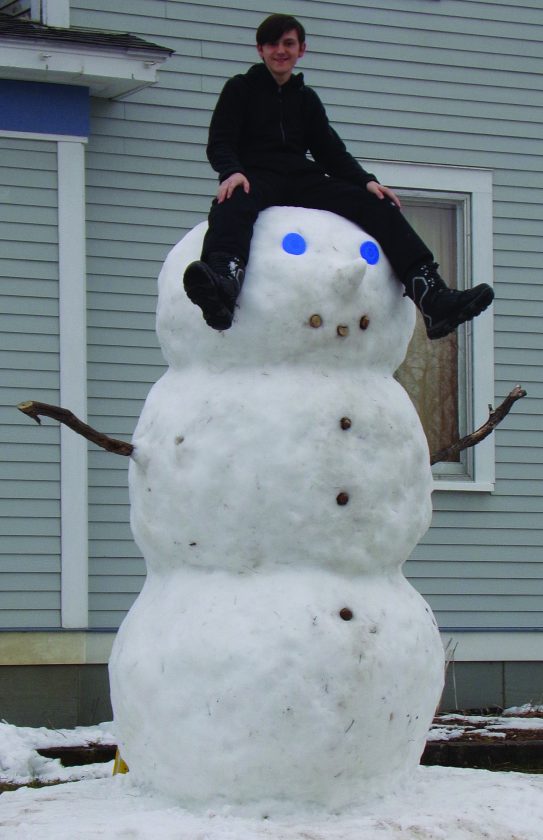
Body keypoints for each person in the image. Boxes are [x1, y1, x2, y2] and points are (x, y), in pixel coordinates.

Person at [183, 13, 494, 336]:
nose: (280, 51)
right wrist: (232, 172)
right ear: (260, 49)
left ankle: (432, 296)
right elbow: (220, 140)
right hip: (256, 174)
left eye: (288, 43)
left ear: (301, 49)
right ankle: (222, 284)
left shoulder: (306, 99)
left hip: (301, 176)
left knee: (376, 205)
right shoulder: (240, 89)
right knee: (233, 201)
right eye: (273, 44)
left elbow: (330, 151)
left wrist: (366, 181)